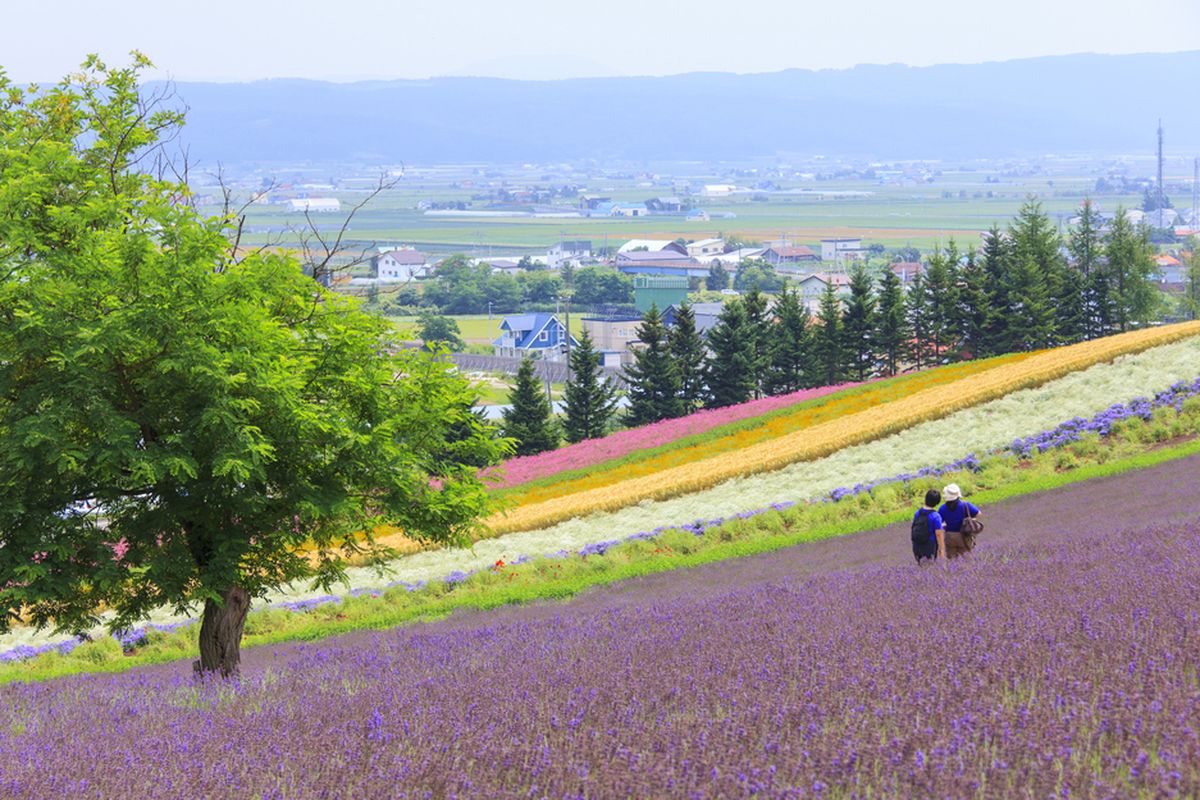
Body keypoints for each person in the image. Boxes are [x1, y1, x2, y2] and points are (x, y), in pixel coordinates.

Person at [939, 483, 982, 559]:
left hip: (950, 536)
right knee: (965, 558)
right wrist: (971, 519)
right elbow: (978, 513)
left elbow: (939, 523)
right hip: (964, 535)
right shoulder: (965, 505)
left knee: (951, 560)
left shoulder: (942, 508)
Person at [911, 488, 946, 563]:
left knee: (921, 567)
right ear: (937, 502)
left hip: (917, 545)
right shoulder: (935, 516)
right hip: (929, 545)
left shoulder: (917, 513)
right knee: (930, 568)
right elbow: (939, 534)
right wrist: (942, 550)